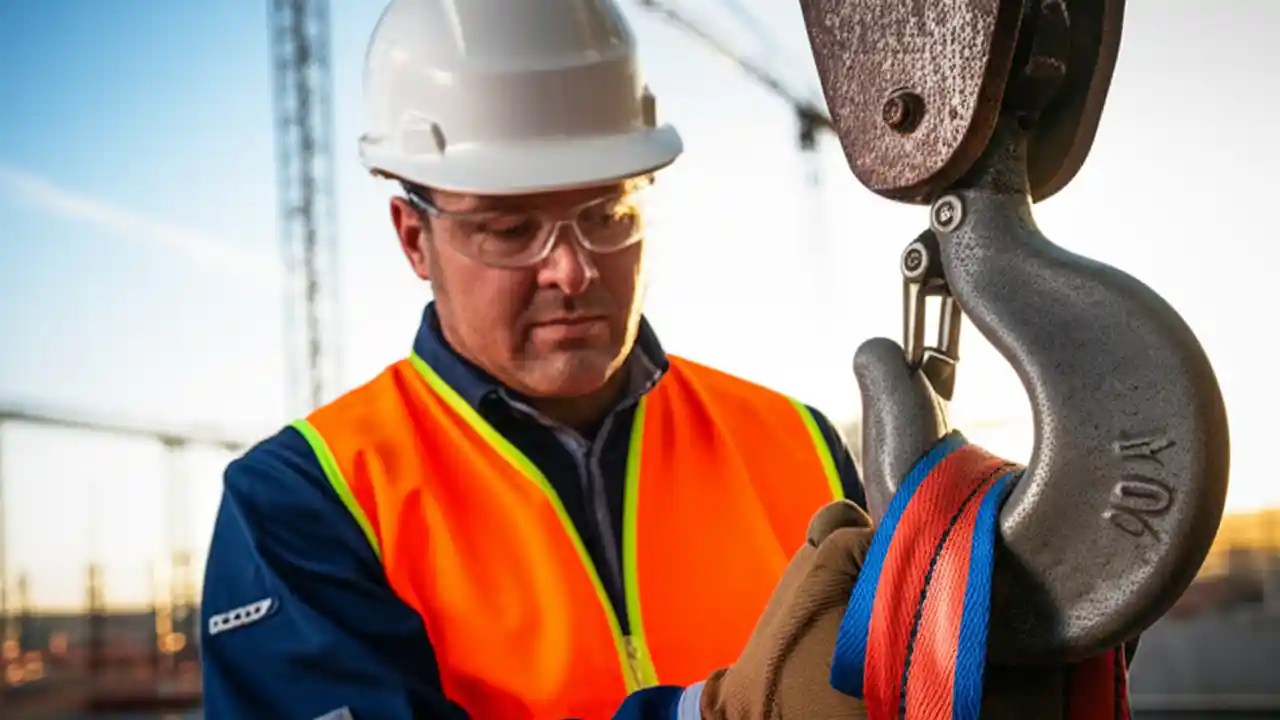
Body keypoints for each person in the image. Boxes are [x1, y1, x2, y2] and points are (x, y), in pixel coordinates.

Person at [199, 1, 871, 718]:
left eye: (606, 214)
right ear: (412, 238)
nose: (571, 270)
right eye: (511, 228)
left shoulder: (795, 444)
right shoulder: (305, 501)